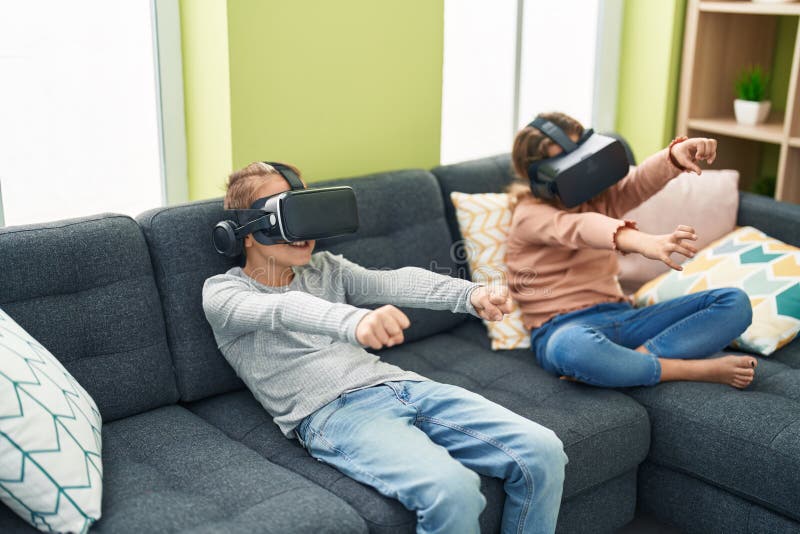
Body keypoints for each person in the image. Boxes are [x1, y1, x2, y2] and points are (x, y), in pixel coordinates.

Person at [202, 161, 569, 534]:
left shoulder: (325, 268)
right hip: (334, 413)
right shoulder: (224, 293)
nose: (303, 229)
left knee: (542, 451)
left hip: (403, 385)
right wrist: (354, 321)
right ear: (246, 232)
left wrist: (470, 294)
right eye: (286, 212)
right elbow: (281, 309)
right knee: (453, 490)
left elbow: (394, 282)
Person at [506, 112, 757, 389]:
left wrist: (674, 156)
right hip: (562, 327)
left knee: (735, 303)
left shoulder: (598, 198)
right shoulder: (529, 214)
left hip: (624, 316)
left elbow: (638, 183)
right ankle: (692, 370)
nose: (579, 166)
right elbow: (581, 227)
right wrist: (644, 242)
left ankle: (626, 363)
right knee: (572, 348)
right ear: (538, 174)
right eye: (565, 160)